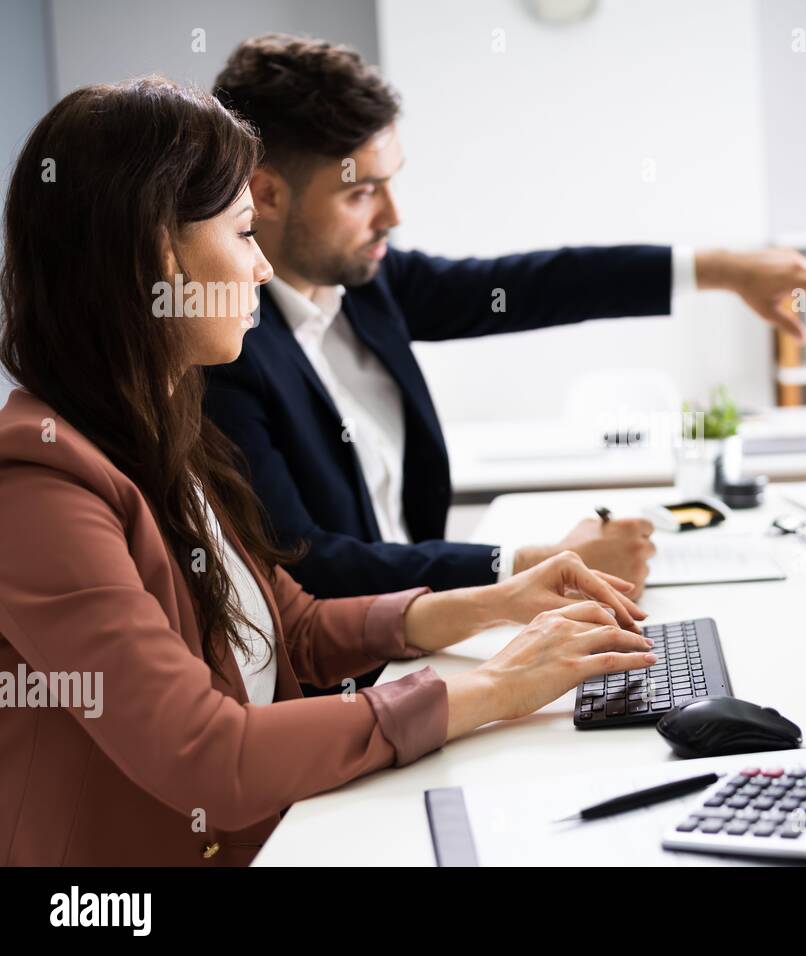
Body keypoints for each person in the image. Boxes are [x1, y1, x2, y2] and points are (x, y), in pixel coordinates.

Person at [0, 76, 657, 866]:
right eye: (244, 235)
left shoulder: (157, 431)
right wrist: (490, 690)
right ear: (160, 256)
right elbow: (205, 753)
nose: (262, 271)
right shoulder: (38, 492)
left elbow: (295, 632)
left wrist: (496, 603)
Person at [205, 34, 806, 607]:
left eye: (391, 181)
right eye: (361, 191)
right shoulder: (225, 350)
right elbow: (307, 563)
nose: (392, 215)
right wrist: (527, 565)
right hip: (355, 684)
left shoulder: (371, 284)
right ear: (265, 194)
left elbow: (537, 282)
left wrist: (722, 270)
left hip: (433, 629)